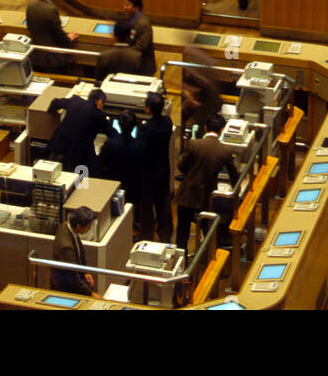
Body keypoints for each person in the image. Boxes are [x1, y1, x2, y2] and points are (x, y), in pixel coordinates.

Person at [174, 114, 235, 254]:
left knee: (182, 234)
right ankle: (210, 259)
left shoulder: (194, 143)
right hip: (207, 198)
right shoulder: (225, 150)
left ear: (205, 128)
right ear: (221, 130)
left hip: (187, 195)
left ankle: (180, 264)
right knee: (208, 230)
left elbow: (182, 167)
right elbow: (234, 176)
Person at [46, 87, 113, 177]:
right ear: (100, 101)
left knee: (55, 178)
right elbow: (112, 134)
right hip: (79, 158)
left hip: (58, 148)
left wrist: (51, 112)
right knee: (80, 185)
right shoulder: (99, 115)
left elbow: (55, 102)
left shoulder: (75, 101)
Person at [138, 91, 174, 242]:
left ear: (148, 109)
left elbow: (141, 149)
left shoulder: (145, 129)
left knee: (146, 206)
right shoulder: (167, 122)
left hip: (148, 173)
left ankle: (146, 236)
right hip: (163, 170)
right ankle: (165, 235)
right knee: (164, 204)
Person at [26, 0, 77, 71]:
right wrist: (69, 38)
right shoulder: (52, 9)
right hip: (51, 60)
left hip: (34, 57)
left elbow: (29, 28)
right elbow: (59, 34)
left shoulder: (30, 6)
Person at [97, 110, 142, 215]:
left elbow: (102, 163)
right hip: (132, 188)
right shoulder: (139, 146)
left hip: (112, 185)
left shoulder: (109, 144)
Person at [50, 207, 98, 296]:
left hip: (75, 279)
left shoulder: (66, 226)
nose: (89, 229)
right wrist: (92, 294)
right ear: (79, 227)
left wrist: (84, 272)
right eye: (88, 227)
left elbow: (80, 254)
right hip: (65, 289)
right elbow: (73, 279)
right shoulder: (66, 247)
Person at [123, 0, 155, 74]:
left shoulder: (143, 23)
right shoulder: (131, 19)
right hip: (134, 64)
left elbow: (142, 46)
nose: (124, 7)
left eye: (127, 5)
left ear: (136, 7)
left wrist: (123, 52)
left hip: (143, 67)